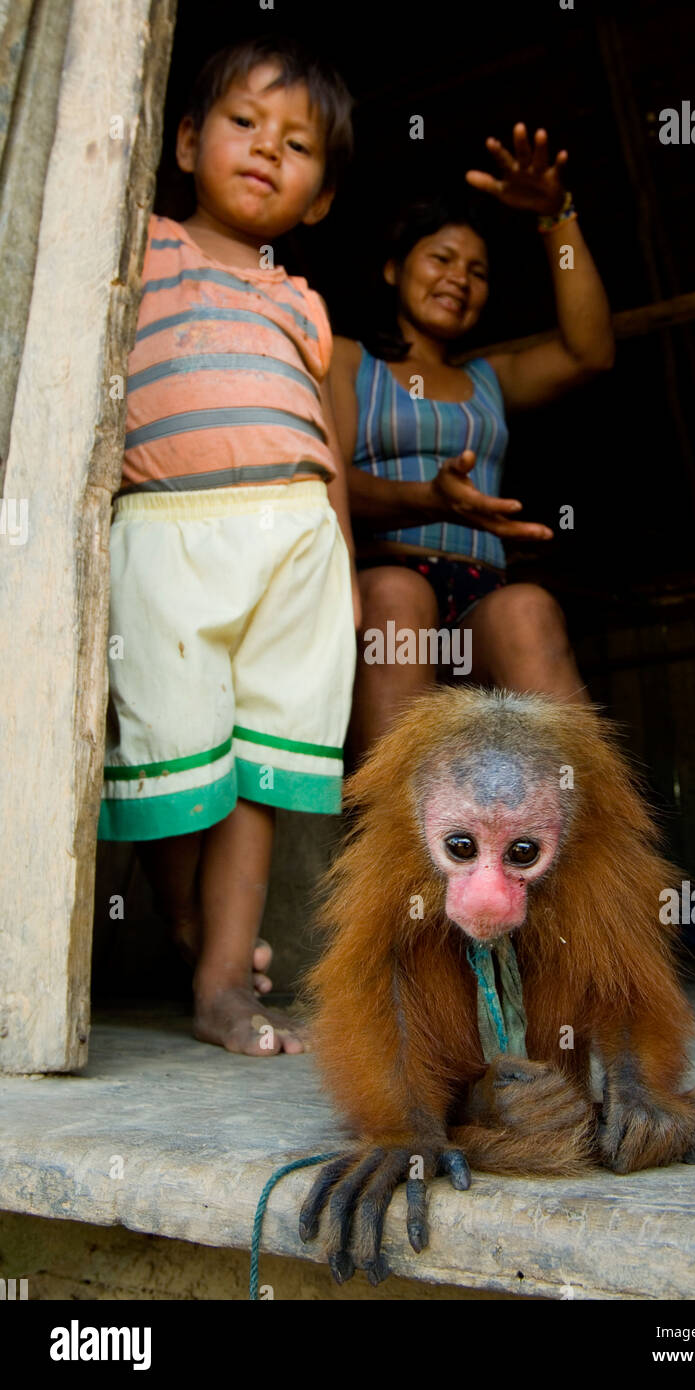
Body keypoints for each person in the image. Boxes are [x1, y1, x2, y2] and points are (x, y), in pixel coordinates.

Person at [97, 37, 358, 1056]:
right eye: (244, 124)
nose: (265, 149)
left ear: (320, 197)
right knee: (175, 761)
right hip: (168, 534)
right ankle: (194, 932)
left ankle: (220, 988)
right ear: (186, 141)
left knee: (257, 777)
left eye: (296, 144)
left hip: (293, 547)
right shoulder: (142, 246)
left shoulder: (303, 303)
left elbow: (328, 450)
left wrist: (340, 570)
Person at [328, 127, 614, 754]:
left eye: (478, 271)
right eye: (441, 258)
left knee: (529, 607)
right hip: (384, 589)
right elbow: (330, 485)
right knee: (401, 598)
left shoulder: (489, 378)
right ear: (393, 267)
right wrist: (428, 499)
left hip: (478, 597)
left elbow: (589, 351)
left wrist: (556, 219)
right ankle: (394, 843)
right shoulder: (349, 362)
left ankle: (587, 840)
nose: (460, 278)